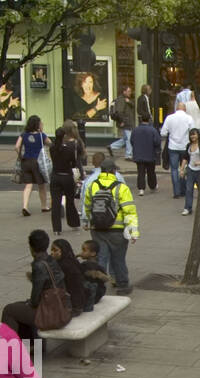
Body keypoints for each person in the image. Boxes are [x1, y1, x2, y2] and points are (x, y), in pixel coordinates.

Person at [1, 229, 67, 349]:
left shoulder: (39, 265)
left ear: (31, 247)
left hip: (51, 312)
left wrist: (29, 302)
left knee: (9, 310)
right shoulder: (50, 259)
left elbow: (35, 301)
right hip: (60, 306)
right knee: (19, 307)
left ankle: (9, 351)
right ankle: (36, 348)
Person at [82, 157, 139, 292]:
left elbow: (87, 205)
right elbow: (129, 210)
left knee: (101, 258)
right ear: (114, 171)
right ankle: (123, 285)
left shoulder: (93, 185)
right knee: (118, 259)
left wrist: (87, 221)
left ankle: (96, 285)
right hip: (117, 230)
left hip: (97, 229)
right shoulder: (121, 188)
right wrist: (133, 231)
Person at [15, 115, 50, 217]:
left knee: (28, 185)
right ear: (37, 124)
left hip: (25, 161)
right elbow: (51, 144)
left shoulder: (24, 134)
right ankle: (44, 206)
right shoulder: (41, 135)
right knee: (41, 185)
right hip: (37, 162)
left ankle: (25, 206)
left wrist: (20, 156)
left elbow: (16, 146)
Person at [48, 126, 82, 232]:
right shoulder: (69, 149)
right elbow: (73, 163)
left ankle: (57, 228)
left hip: (55, 176)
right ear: (64, 136)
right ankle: (73, 223)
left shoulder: (52, 148)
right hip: (67, 177)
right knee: (70, 201)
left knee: (56, 203)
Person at [160, 102, 193, 198]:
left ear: (176, 108)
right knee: (183, 168)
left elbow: (163, 133)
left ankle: (176, 191)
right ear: (185, 109)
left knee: (174, 169)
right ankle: (183, 189)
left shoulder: (169, 118)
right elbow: (193, 131)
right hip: (185, 146)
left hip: (173, 146)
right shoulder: (189, 118)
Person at [50, 238, 88, 315]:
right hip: (80, 302)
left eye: (55, 250)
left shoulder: (63, 265)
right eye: (51, 250)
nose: (52, 253)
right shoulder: (72, 260)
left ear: (63, 251)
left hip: (72, 306)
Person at [130, 112, 161, 194]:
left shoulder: (135, 130)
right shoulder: (153, 130)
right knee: (151, 171)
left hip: (139, 154)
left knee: (140, 172)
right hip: (150, 154)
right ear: (149, 119)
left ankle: (141, 189)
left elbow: (132, 141)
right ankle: (152, 186)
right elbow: (157, 142)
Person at [77, 240, 110, 308]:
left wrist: (75, 257)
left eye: (84, 250)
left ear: (93, 253)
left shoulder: (86, 265)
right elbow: (106, 278)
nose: (81, 253)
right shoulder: (98, 265)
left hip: (93, 294)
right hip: (99, 293)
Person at [181, 128, 200, 215]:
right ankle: (187, 208)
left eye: (194, 134)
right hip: (190, 169)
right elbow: (185, 158)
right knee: (189, 189)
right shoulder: (188, 145)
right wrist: (182, 169)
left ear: (198, 135)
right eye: (191, 135)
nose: (193, 136)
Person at [111, 85, 135, 160]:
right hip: (125, 122)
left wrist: (129, 102)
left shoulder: (127, 99)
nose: (130, 93)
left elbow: (133, 106)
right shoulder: (121, 100)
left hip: (127, 122)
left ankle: (111, 146)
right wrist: (121, 121)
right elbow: (119, 112)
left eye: (130, 91)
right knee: (129, 139)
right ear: (124, 92)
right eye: (128, 91)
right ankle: (128, 155)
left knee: (125, 139)